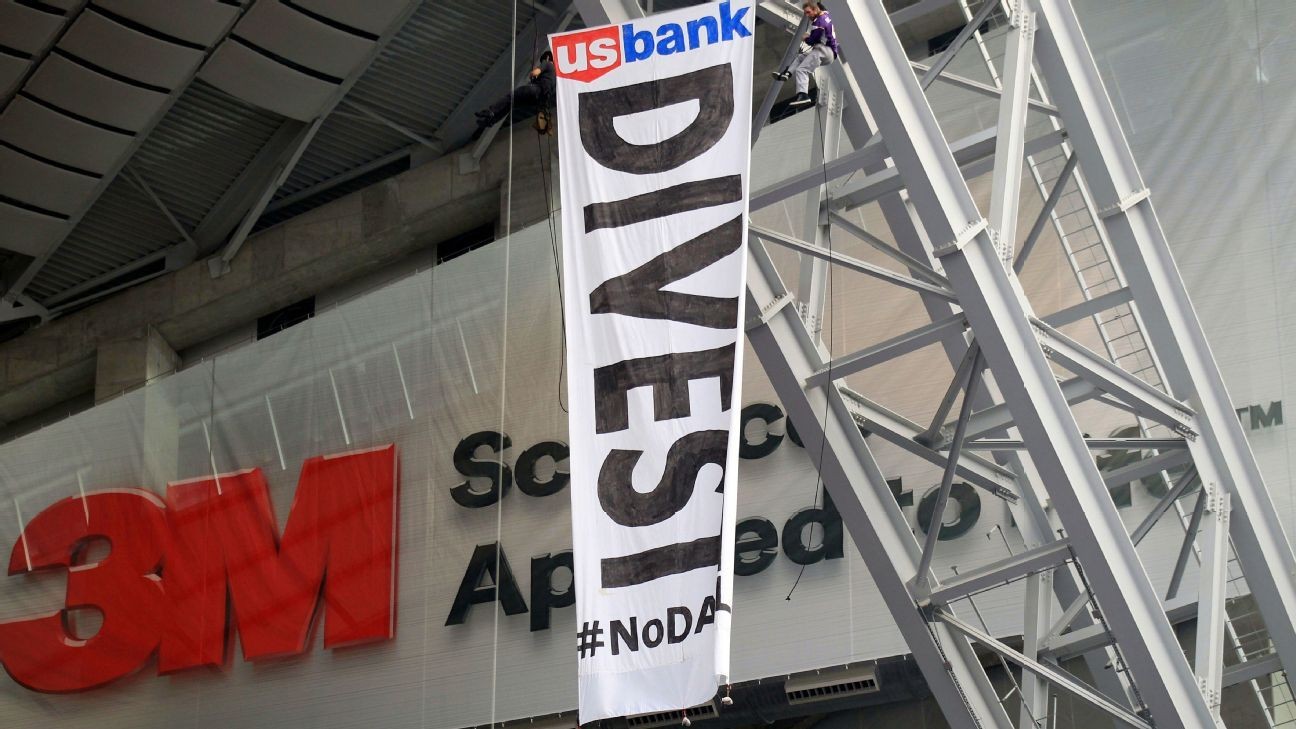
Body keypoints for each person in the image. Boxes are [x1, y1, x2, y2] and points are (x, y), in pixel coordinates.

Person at [771, 2, 839, 108]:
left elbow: (813, 40)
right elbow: (822, 7)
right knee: (800, 57)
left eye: (808, 12)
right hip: (829, 53)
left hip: (823, 50)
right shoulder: (826, 15)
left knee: (802, 70)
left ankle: (803, 95)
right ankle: (787, 73)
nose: (807, 15)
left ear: (815, 10)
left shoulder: (818, 22)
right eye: (805, 13)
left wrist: (805, 37)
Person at [475, 51, 556, 134]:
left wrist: (532, 74)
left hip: (534, 90)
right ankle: (490, 122)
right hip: (537, 100)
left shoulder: (547, 63)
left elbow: (534, 73)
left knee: (510, 97)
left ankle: (491, 111)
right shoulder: (554, 76)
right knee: (511, 104)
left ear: (547, 58)